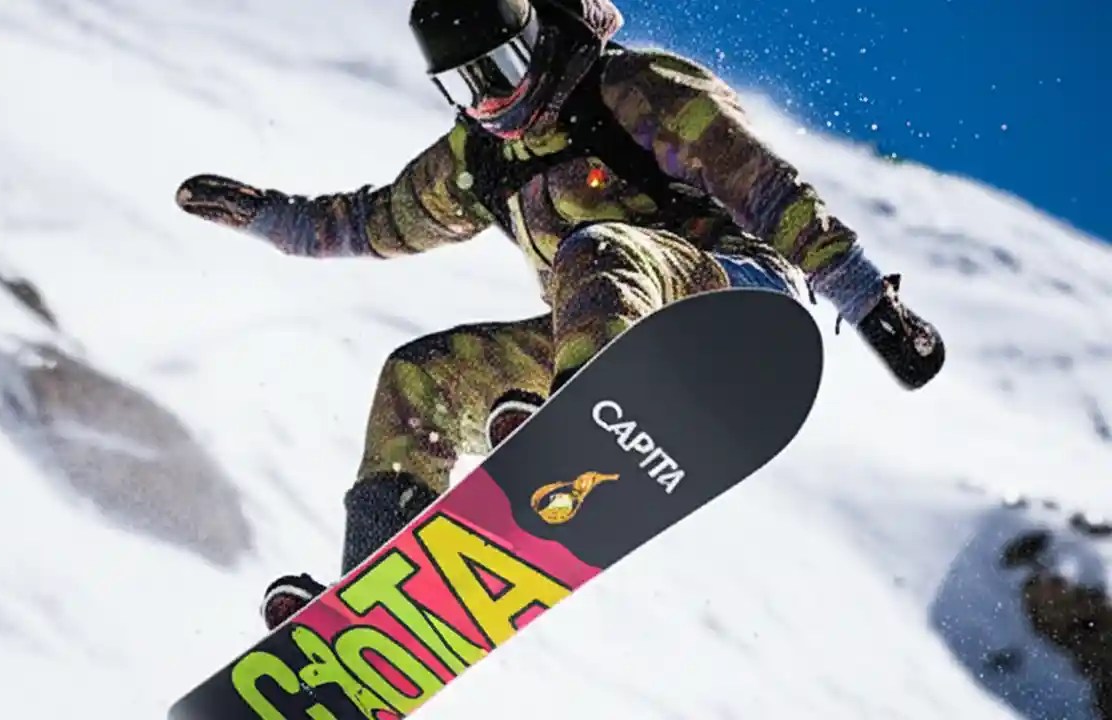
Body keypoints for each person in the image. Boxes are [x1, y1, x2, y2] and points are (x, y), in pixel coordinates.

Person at [173, 0, 945, 630]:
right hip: (602, 336)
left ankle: (572, 427)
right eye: (466, 85)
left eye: (501, 71)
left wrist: (871, 304)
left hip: (729, 307)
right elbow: (372, 223)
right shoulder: (478, 157)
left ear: (538, 37)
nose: (491, 100)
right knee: (420, 379)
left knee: (601, 249)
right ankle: (372, 604)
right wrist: (265, 216)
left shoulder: (631, 90)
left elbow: (767, 190)